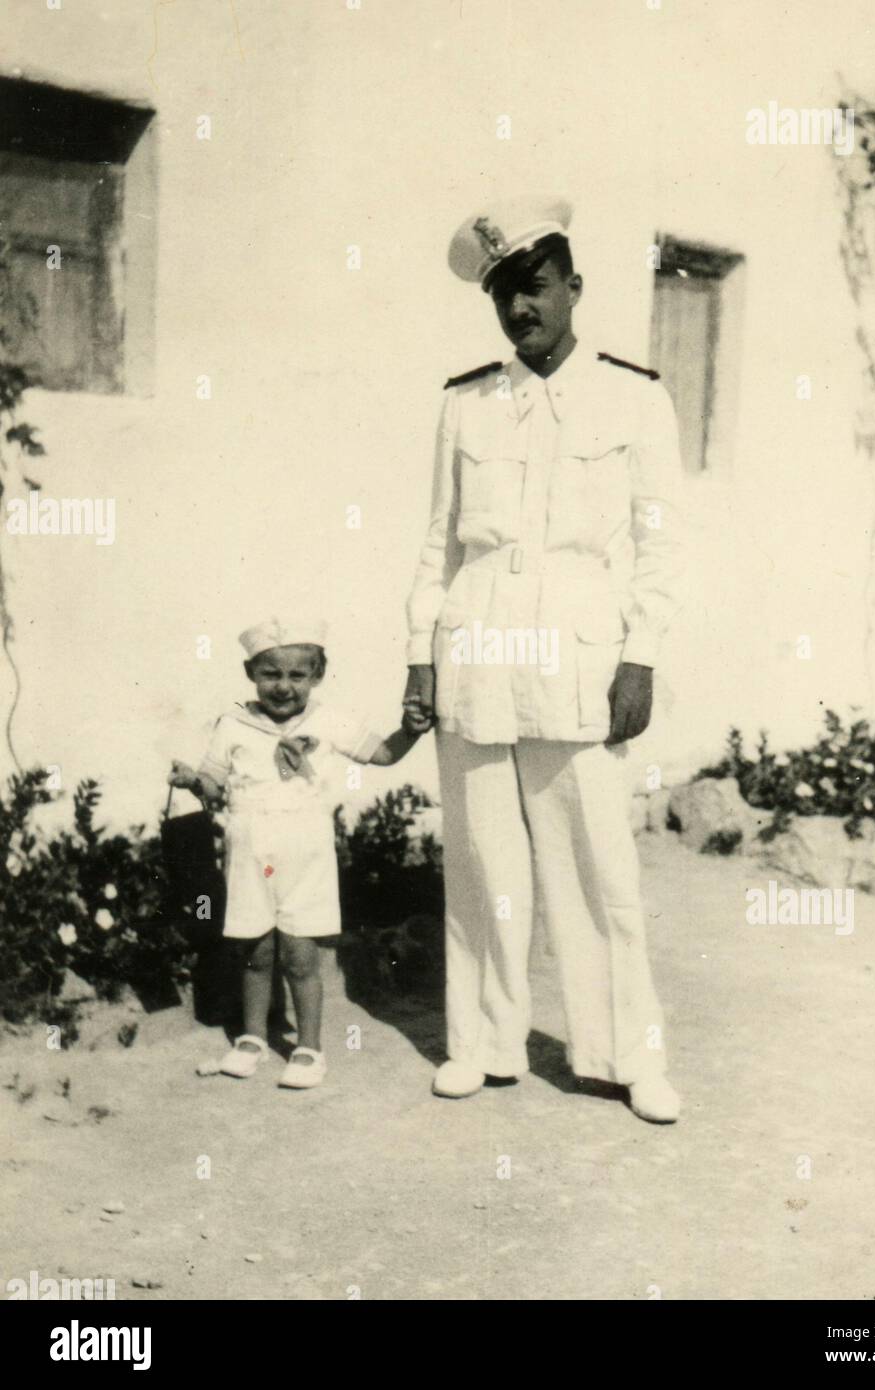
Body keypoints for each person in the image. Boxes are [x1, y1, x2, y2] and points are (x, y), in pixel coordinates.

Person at [402, 196, 685, 1122]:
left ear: (572, 286)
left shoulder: (635, 397)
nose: (519, 310)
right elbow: (438, 544)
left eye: (533, 288)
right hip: (476, 648)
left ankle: (625, 1055)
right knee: (483, 864)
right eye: (502, 297)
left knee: (597, 865)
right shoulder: (464, 402)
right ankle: (483, 1043)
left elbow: (658, 546)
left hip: (579, 652)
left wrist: (640, 657)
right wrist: (420, 655)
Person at [171, 618, 425, 1089]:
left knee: (300, 955)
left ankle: (308, 1049)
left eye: (296, 675)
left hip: (306, 853)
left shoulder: (329, 722)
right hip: (249, 852)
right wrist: (192, 781)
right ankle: (252, 1038)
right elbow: (213, 784)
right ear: (251, 673)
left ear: (316, 676)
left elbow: (384, 754)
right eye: (271, 674)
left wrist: (411, 730)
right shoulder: (233, 725)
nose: (283, 686)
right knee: (255, 951)